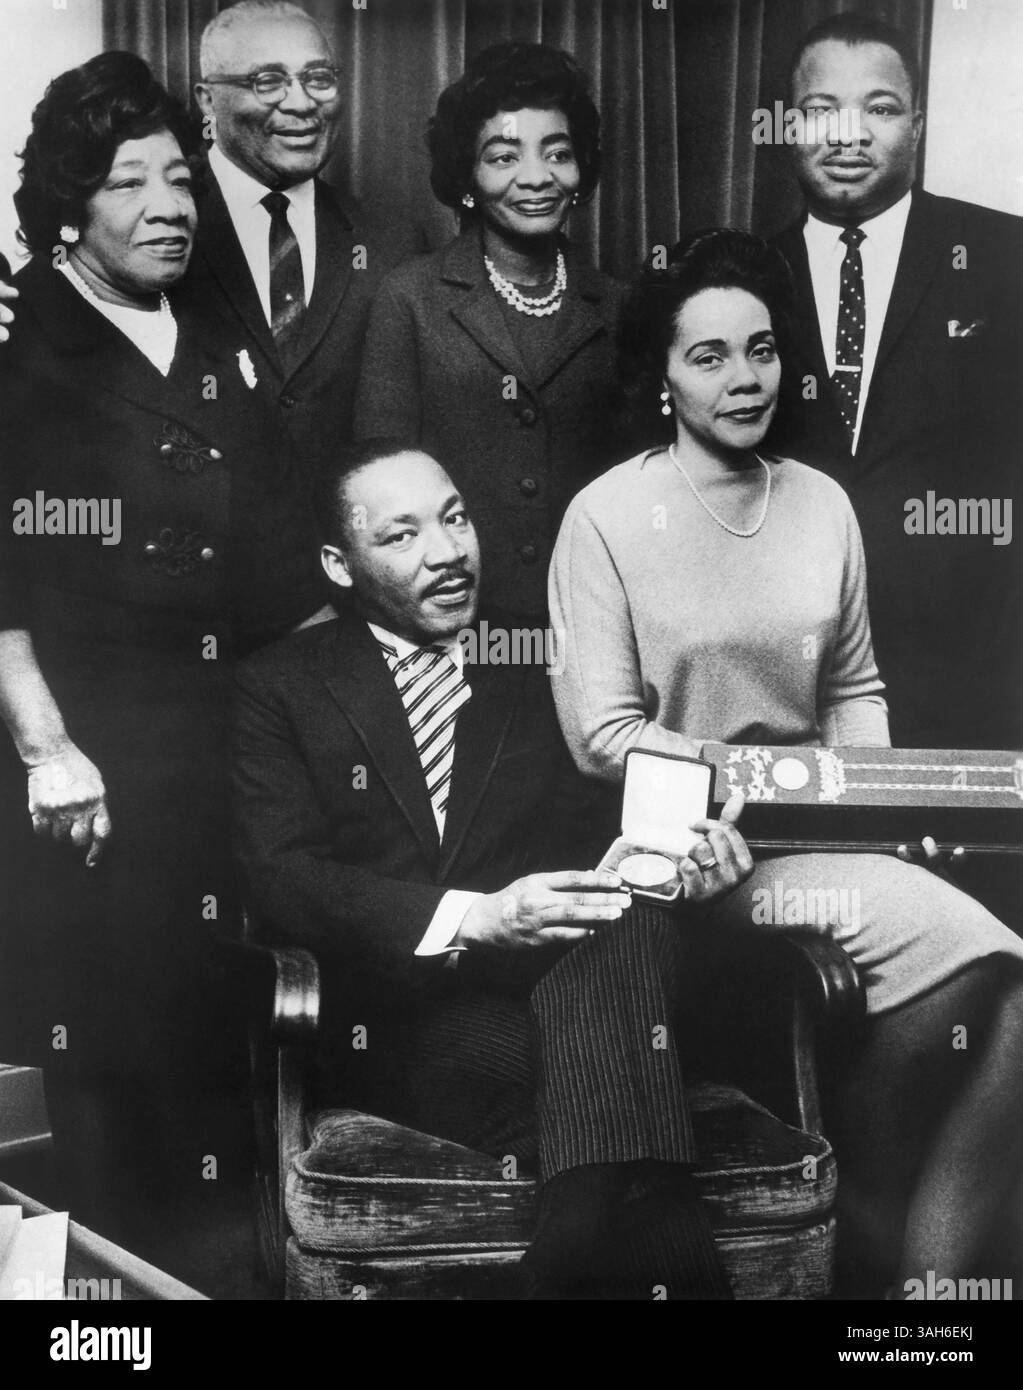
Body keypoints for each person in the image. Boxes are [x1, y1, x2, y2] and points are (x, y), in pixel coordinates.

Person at [548, 229, 1023, 1297]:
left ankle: (922, 1291)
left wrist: (869, 800)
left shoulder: (821, 502)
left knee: (1010, 985)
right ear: (660, 377)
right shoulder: (607, 518)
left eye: (760, 349)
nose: (744, 376)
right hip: (684, 858)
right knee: (996, 964)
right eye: (708, 355)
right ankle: (869, 1231)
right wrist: (743, 779)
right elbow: (601, 733)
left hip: (825, 840)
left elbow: (854, 685)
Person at [232, 438, 757, 1300]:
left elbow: (590, 851)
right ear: (338, 562)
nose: (447, 552)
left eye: (455, 518)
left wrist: (663, 868)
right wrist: (472, 917)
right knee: (623, 1114)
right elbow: (283, 879)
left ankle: (556, 1269)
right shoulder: (277, 687)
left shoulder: (536, 664)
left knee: (632, 927)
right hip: (400, 1017)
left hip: (573, 987)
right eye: (401, 536)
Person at [0, 52, 323, 1275]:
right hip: (83, 763)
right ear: (70, 208)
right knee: (98, 1065)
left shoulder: (220, 332)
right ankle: (103, 1319)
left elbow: (287, 567)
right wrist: (45, 747)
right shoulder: (22, 339)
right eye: (128, 182)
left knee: (211, 1048)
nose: (168, 205)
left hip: (216, 747)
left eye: (180, 179)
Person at [765, 13, 1023, 751]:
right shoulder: (742, 276)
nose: (848, 135)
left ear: (917, 121)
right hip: (787, 694)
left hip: (976, 685)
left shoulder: (1004, 259)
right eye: (820, 111)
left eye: (877, 108)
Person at [354, 43, 628, 616]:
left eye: (557, 153)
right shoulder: (409, 298)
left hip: (592, 615)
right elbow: (382, 489)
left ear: (580, 172)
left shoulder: (618, 306)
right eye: (504, 157)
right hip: (448, 616)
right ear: (468, 177)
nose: (536, 177)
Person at [189, 0, 426, 481]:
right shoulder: (158, 226)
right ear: (207, 100)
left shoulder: (391, 243)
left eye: (318, 78)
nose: (301, 103)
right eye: (268, 81)